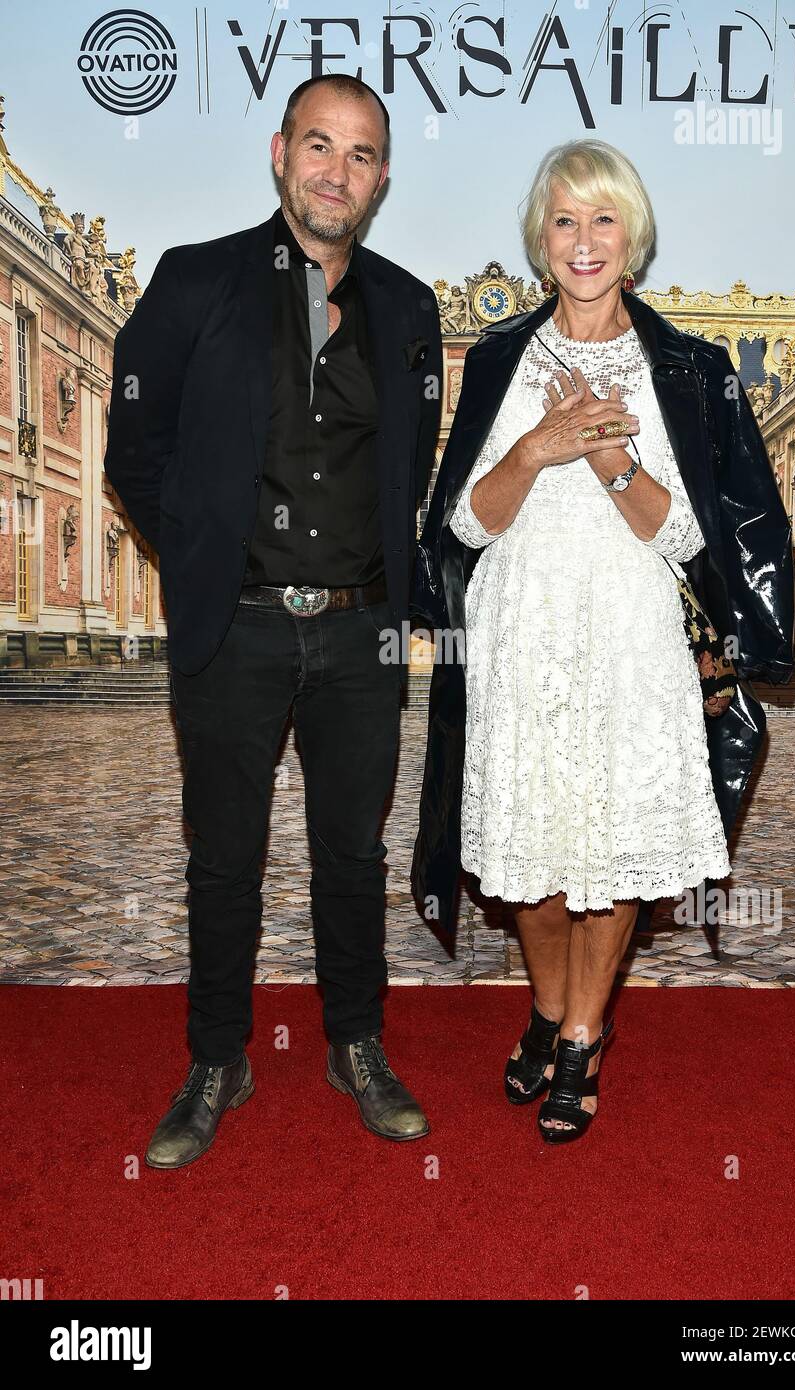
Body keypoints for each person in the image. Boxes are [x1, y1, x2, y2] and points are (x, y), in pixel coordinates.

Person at [410, 139, 793, 1144]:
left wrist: (618, 463)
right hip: (520, 633)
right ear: (541, 240)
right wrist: (536, 450)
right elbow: (459, 527)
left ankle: (581, 1034)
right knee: (529, 866)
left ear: (633, 238)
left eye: (603, 220)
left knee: (613, 858)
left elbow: (694, 535)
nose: (583, 241)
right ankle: (544, 1004)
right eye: (564, 220)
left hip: (627, 636)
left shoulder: (686, 368)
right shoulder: (499, 360)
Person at [105, 74, 443, 1166]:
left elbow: (410, 470)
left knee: (351, 853)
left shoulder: (407, 309)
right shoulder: (194, 282)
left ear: (380, 177)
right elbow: (133, 454)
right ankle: (218, 1059)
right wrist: (203, 561)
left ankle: (355, 1044)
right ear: (278, 151)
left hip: (358, 633)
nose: (334, 171)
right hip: (235, 628)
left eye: (358, 154)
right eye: (317, 145)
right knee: (224, 860)